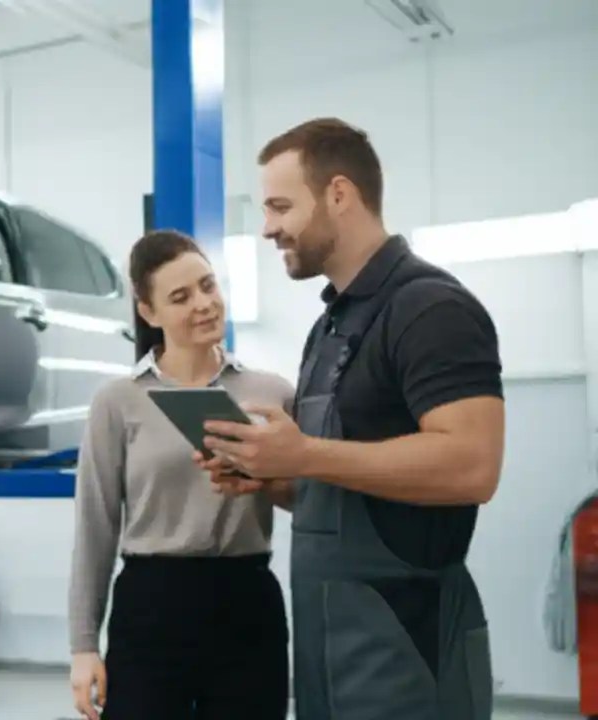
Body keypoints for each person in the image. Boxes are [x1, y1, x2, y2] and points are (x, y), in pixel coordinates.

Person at [198, 117, 505, 719]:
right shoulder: (332, 326)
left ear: (339, 194)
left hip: (408, 654)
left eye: (280, 207)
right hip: (329, 654)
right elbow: (348, 485)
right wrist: (273, 477)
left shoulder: (429, 308)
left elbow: (473, 465)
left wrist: (306, 455)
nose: (267, 229)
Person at [68, 229, 294, 720]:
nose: (204, 304)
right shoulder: (119, 401)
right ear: (149, 313)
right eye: (181, 296)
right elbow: (95, 529)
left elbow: (310, 495)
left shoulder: (272, 394)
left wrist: (266, 478)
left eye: (209, 286)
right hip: (151, 605)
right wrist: (84, 647)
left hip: (246, 601)